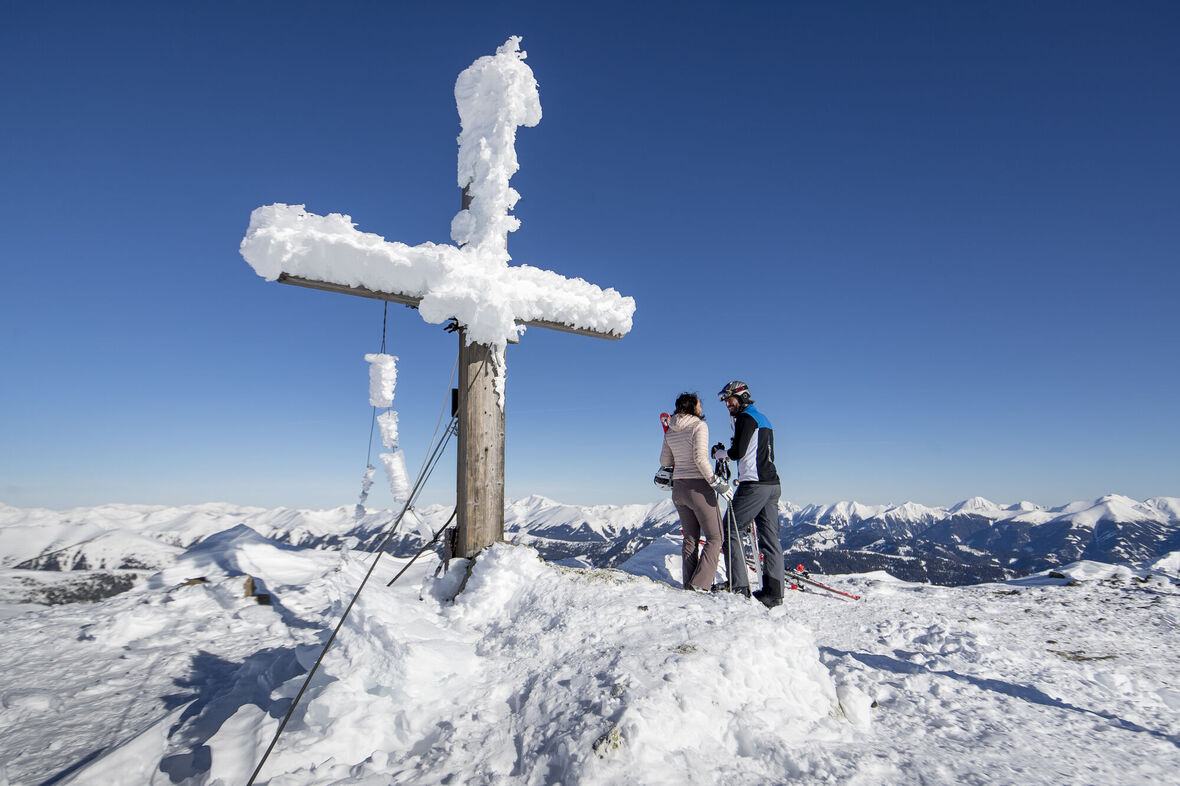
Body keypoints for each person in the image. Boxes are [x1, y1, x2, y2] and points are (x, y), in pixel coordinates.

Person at [713, 381, 785, 608]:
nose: (727, 404)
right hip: (772, 483)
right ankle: (773, 593)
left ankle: (738, 586)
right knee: (770, 538)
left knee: (730, 528)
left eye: (730, 399)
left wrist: (718, 454)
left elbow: (737, 452)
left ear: (742, 396)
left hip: (754, 485)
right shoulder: (764, 419)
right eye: (725, 400)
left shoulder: (745, 419)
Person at [660, 392, 731, 592]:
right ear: (692, 407)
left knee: (690, 538)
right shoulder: (699, 426)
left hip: (678, 488)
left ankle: (689, 583)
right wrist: (717, 482)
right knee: (716, 537)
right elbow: (701, 459)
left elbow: (665, 461)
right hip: (698, 486)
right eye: (699, 404)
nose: (701, 408)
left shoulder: (670, 430)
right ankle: (699, 585)